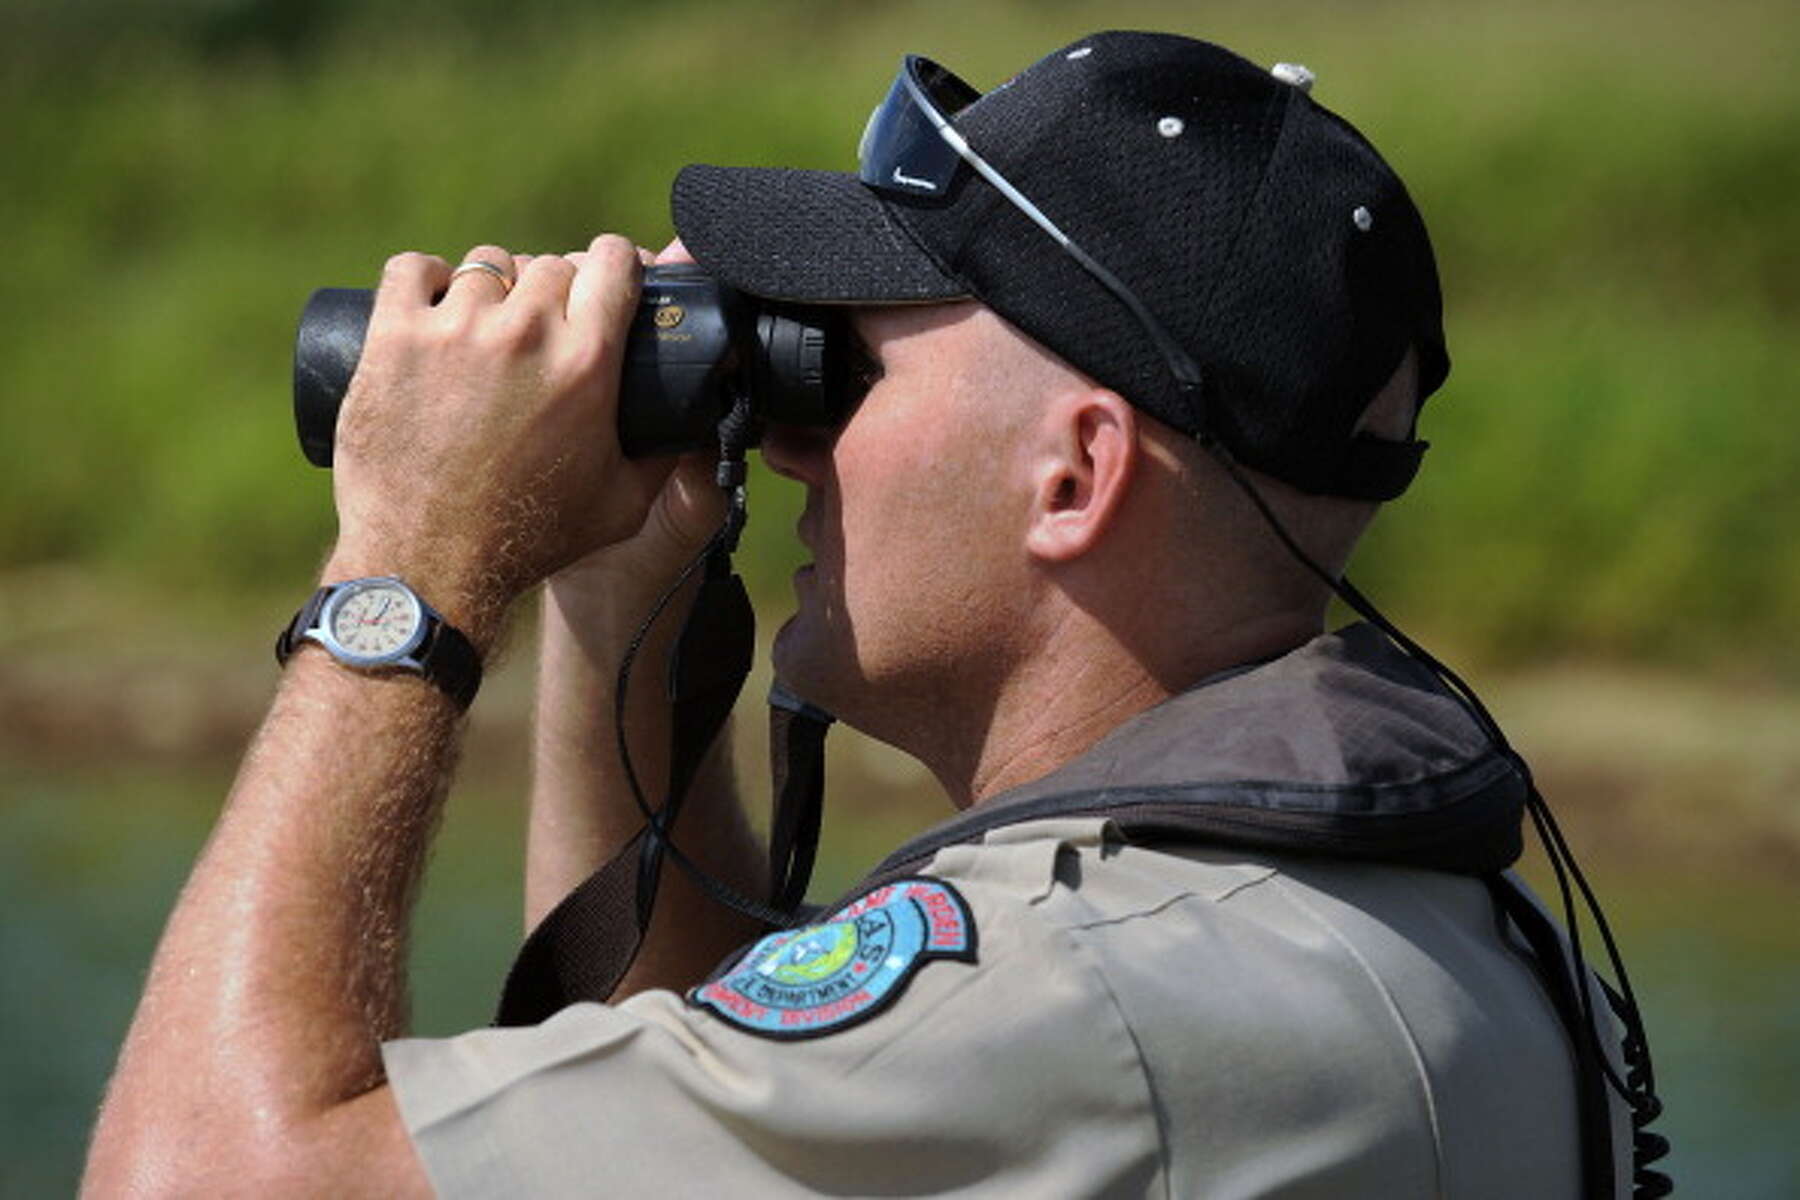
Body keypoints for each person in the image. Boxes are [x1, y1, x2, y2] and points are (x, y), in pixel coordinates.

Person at [84, 32, 1648, 1198]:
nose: (782, 430)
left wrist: (412, 566)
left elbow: (194, 1179)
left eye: (852, 363)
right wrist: (626, 595)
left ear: (1075, 473)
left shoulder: (1092, 1008)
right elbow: (693, 1110)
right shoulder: (1359, 924)